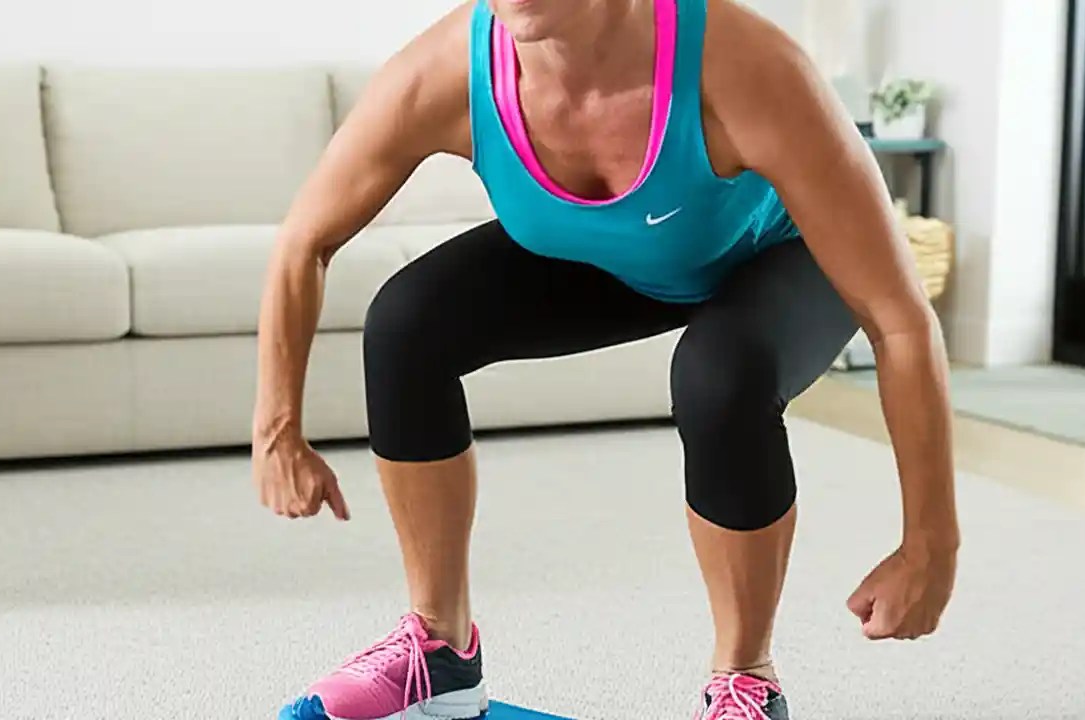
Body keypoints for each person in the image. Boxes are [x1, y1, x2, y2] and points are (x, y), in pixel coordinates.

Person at [253, 0, 960, 717]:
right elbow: (303, 239)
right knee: (407, 324)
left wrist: (930, 545)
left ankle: (745, 680)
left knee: (719, 375)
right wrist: (276, 428)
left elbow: (899, 320)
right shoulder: (444, 74)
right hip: (623, 258)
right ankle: (442, 656)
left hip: (781, 253)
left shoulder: (741, 64)